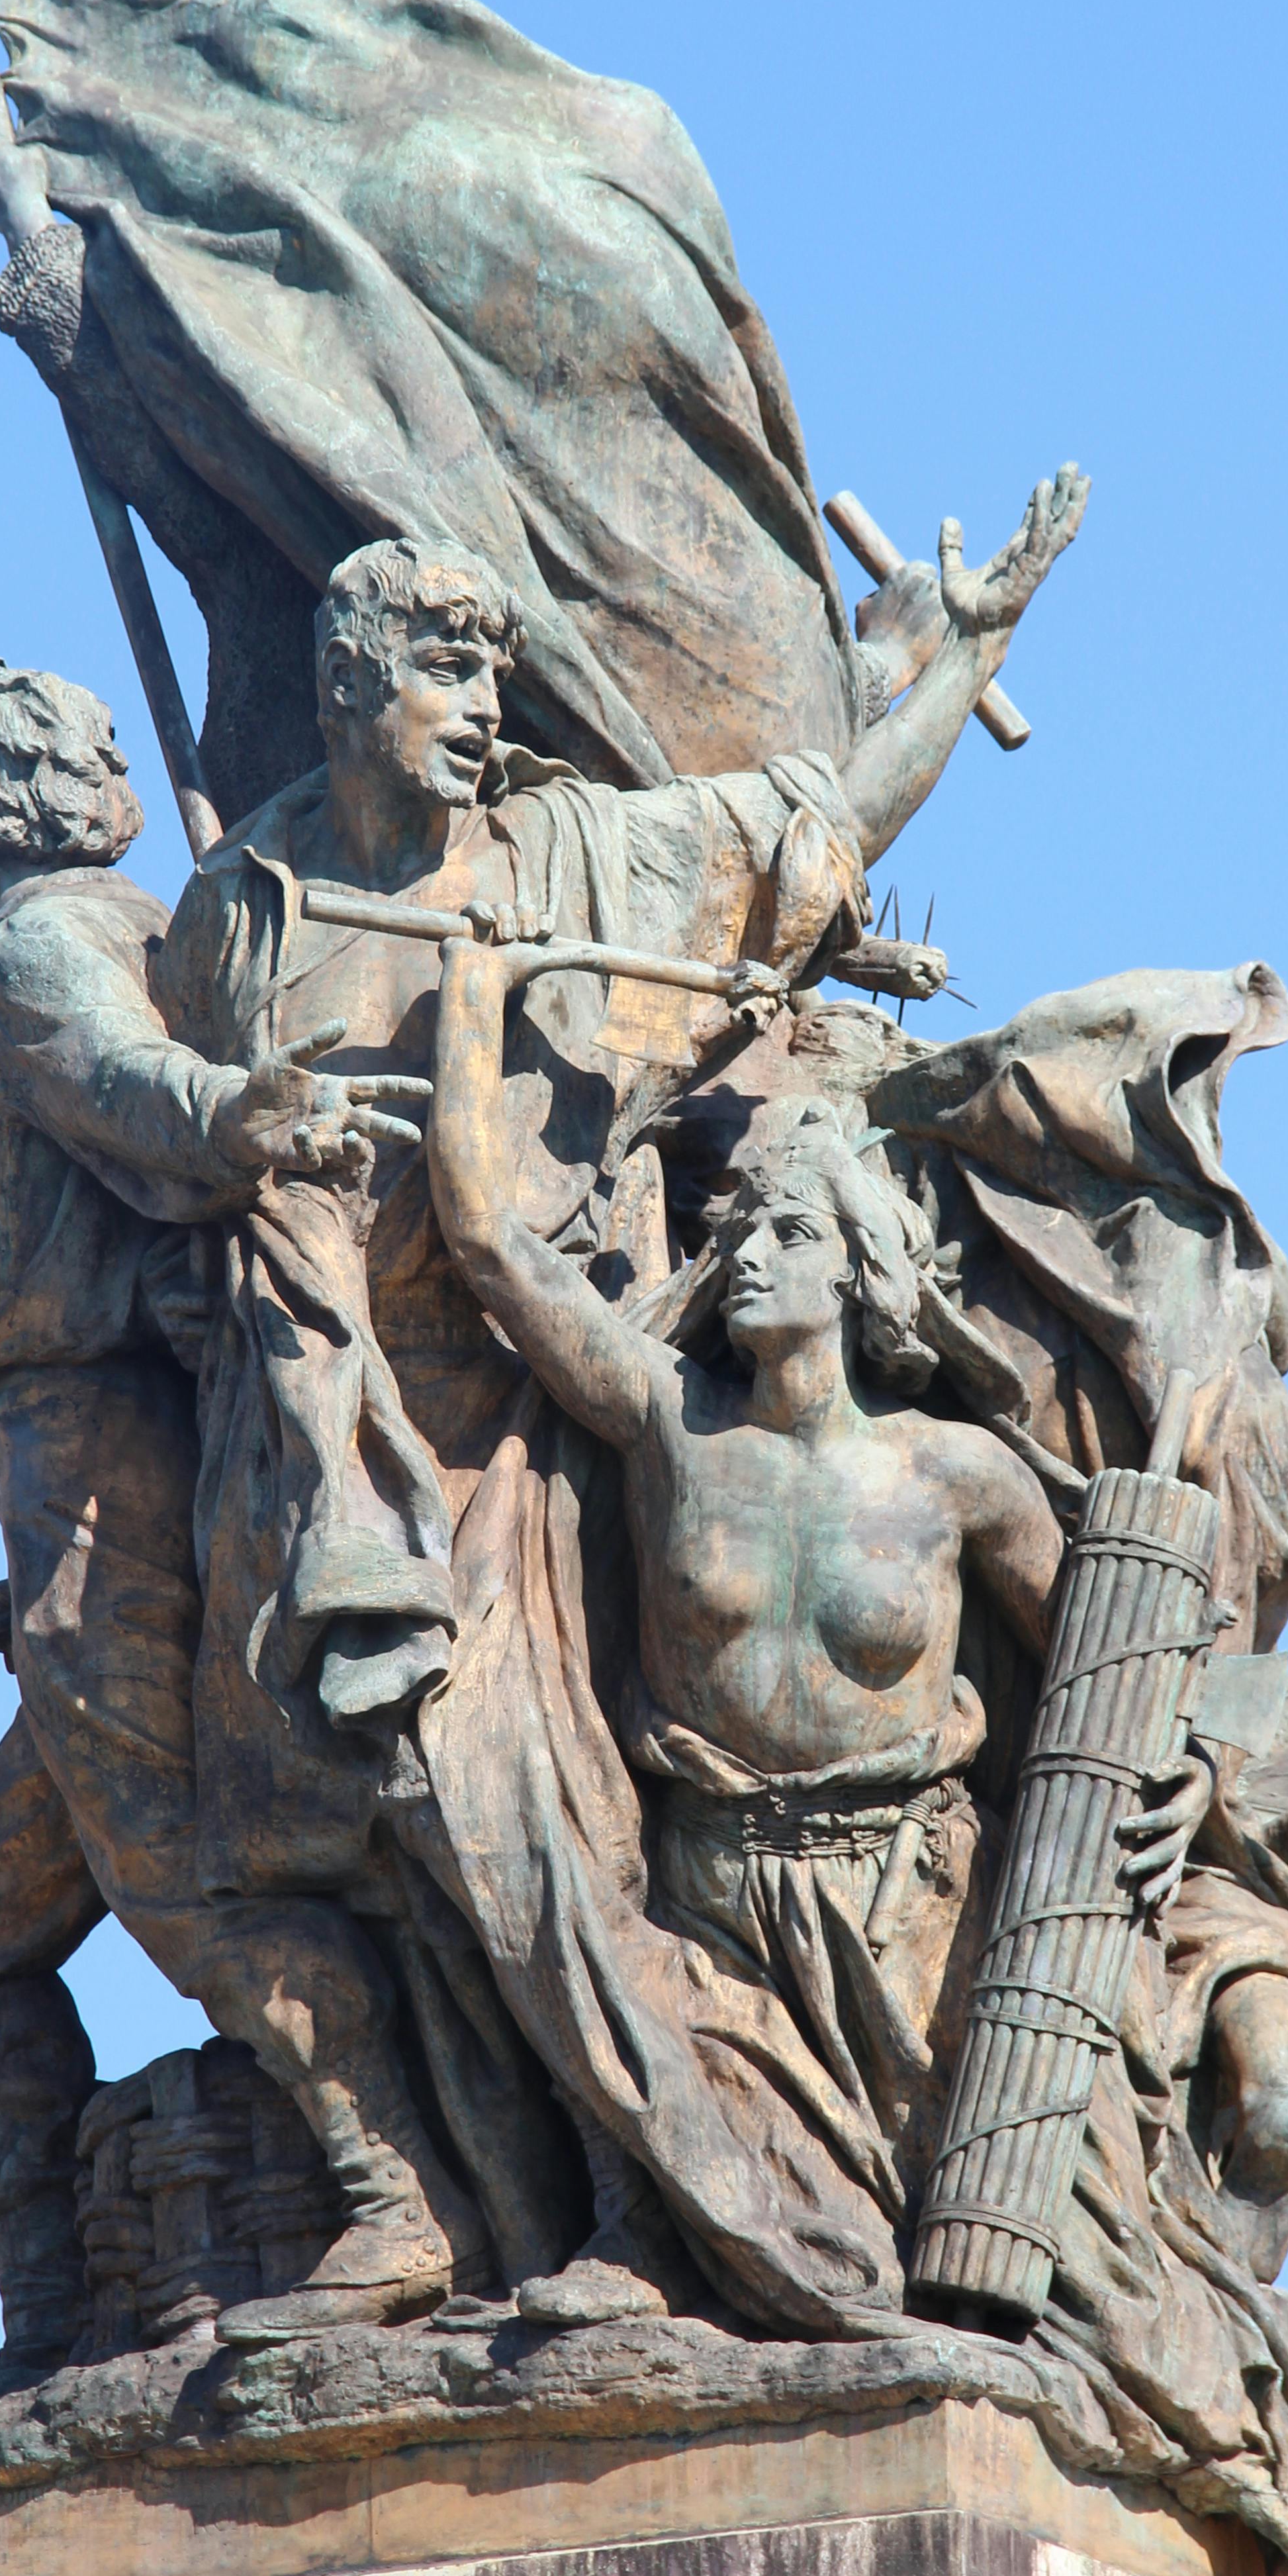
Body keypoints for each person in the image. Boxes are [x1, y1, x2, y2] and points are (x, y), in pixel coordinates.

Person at [145, 499, 1091, 2331]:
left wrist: (961, 650)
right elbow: (174, 1139)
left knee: (507, 1832)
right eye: (444, 665)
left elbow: (816, 821)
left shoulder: (586, 859)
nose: (482, 701)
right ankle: (444, 2211)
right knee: (336, 1854)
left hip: (541, 1434)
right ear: (346, 685)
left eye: (497, 664)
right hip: (306, 1430)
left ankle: (669, 2224)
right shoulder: (245, 906)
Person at [420, 936, 1213, 2318]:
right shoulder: (672, 1420)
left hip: (905, 1902)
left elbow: (1109, 1672)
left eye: (789, 1235)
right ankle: (650, 2238)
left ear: (857, 1268)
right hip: (707, 1900)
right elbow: (488, 1243)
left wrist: (1185, 1772)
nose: (749, 1260)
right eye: (738, 1234)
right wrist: (470, 994)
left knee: (976, 2267)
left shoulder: (957, 1474)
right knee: (707, 2186)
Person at [0, 660, 482, 2416]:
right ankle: (49, 2323)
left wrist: (236, 1112)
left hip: (81, 1461)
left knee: (168, 1868)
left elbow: (129, 1086)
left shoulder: (42, 949)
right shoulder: (143, 927)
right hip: (74, 1489)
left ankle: (395, 2191)